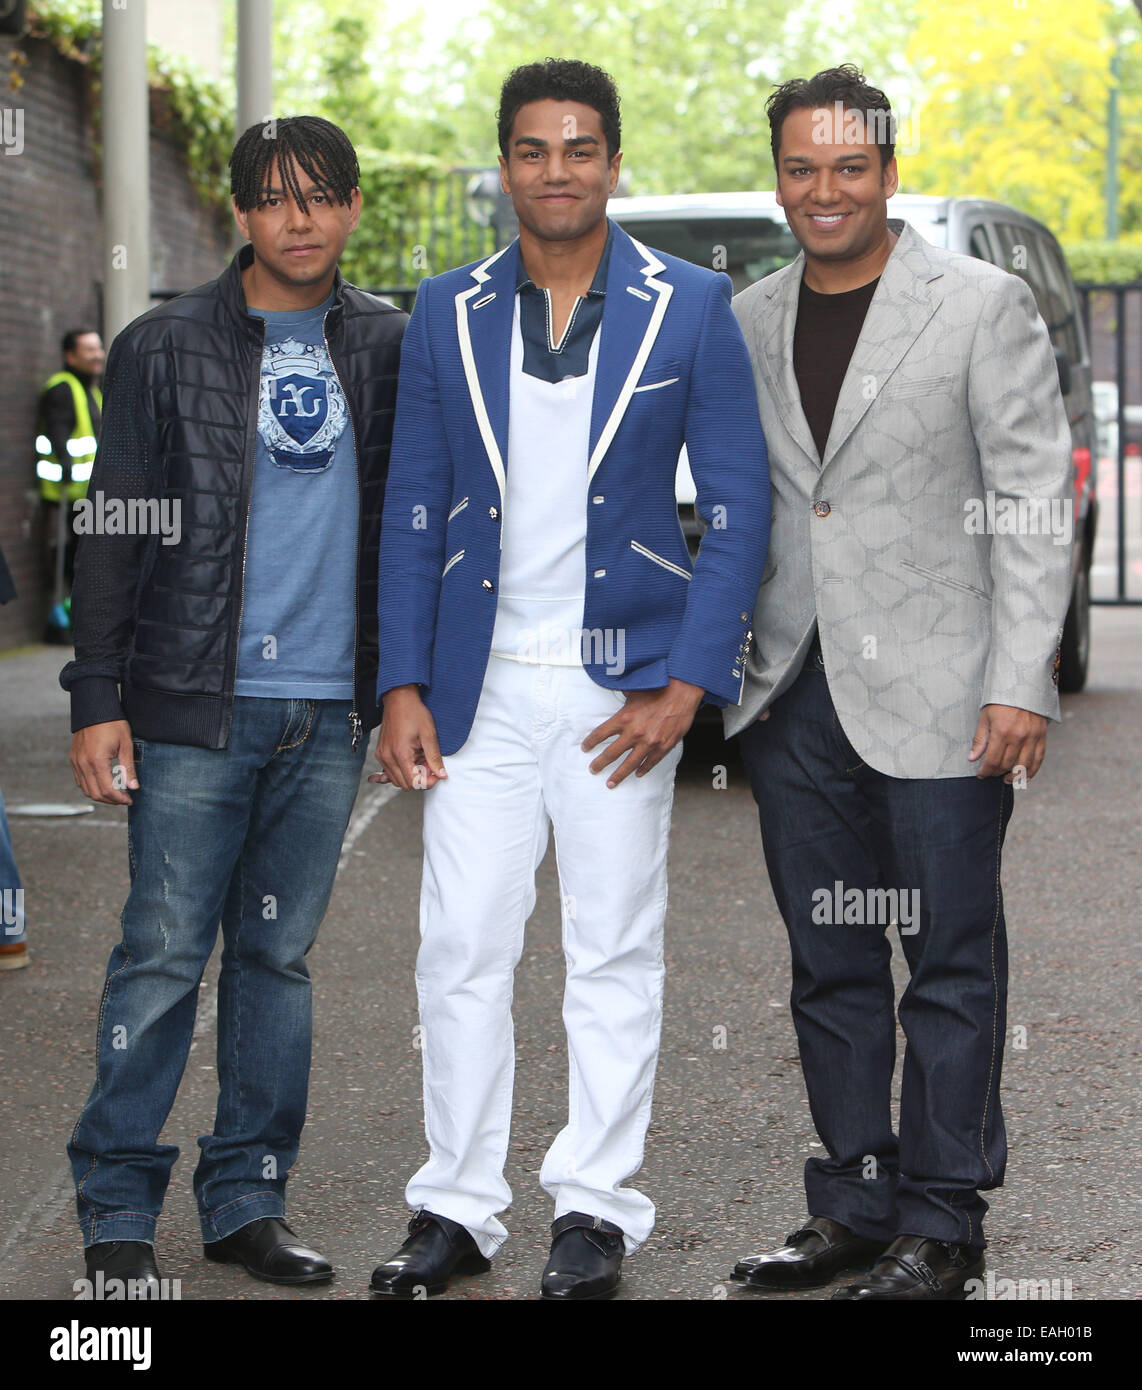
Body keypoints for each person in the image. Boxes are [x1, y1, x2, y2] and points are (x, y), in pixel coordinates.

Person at [369, 58, 769, 1301]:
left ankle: (593, 1207)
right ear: (505, 165)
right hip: (474, 685)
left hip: (619, 691)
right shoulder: (444, 306)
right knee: (459, 950)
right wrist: (399, 684)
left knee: (610, 951)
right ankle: (457, 1207)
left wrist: (686, 685)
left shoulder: (691, 305)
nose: (557, 169)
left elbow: (742, 509)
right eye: (534, 149)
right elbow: (411, 507)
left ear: (612, 162)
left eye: (580, 147)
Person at [726, 66, 1073, 1300]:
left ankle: (941, 1221)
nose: (823, 190)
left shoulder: (978, 305)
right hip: (791, 694)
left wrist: (1019, 677)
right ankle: (852, 1201)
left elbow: (1032, 503)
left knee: (946, 958)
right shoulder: (747, 315)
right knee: (826, 956)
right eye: (800, 167)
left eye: (848, 166)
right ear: (778, 178)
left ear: (887, 169)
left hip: (942, 689)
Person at [59, 116, 406, 1296]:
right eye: (272, 197)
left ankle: (247, 1199)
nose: (297, 217)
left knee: (275, 961)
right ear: (241, 215)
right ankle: (114, 1205)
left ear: (352, 207)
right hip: (192, 706)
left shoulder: (391, 347)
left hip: (326, 711)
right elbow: (110, 528)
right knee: (158, 960)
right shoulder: (164, 346)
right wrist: (95, 695)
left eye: (318, 195)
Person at [36, 328, 104, 633]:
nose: (97, 355)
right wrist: (64, 462)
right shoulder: (62, 388)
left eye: (98, 348)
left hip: (89, 492)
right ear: (70, 355)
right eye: (89, 350)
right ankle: (69, 613)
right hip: (69, 492)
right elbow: (58, 431)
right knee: (77, 554)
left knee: (86, 553)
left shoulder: (92, 389)